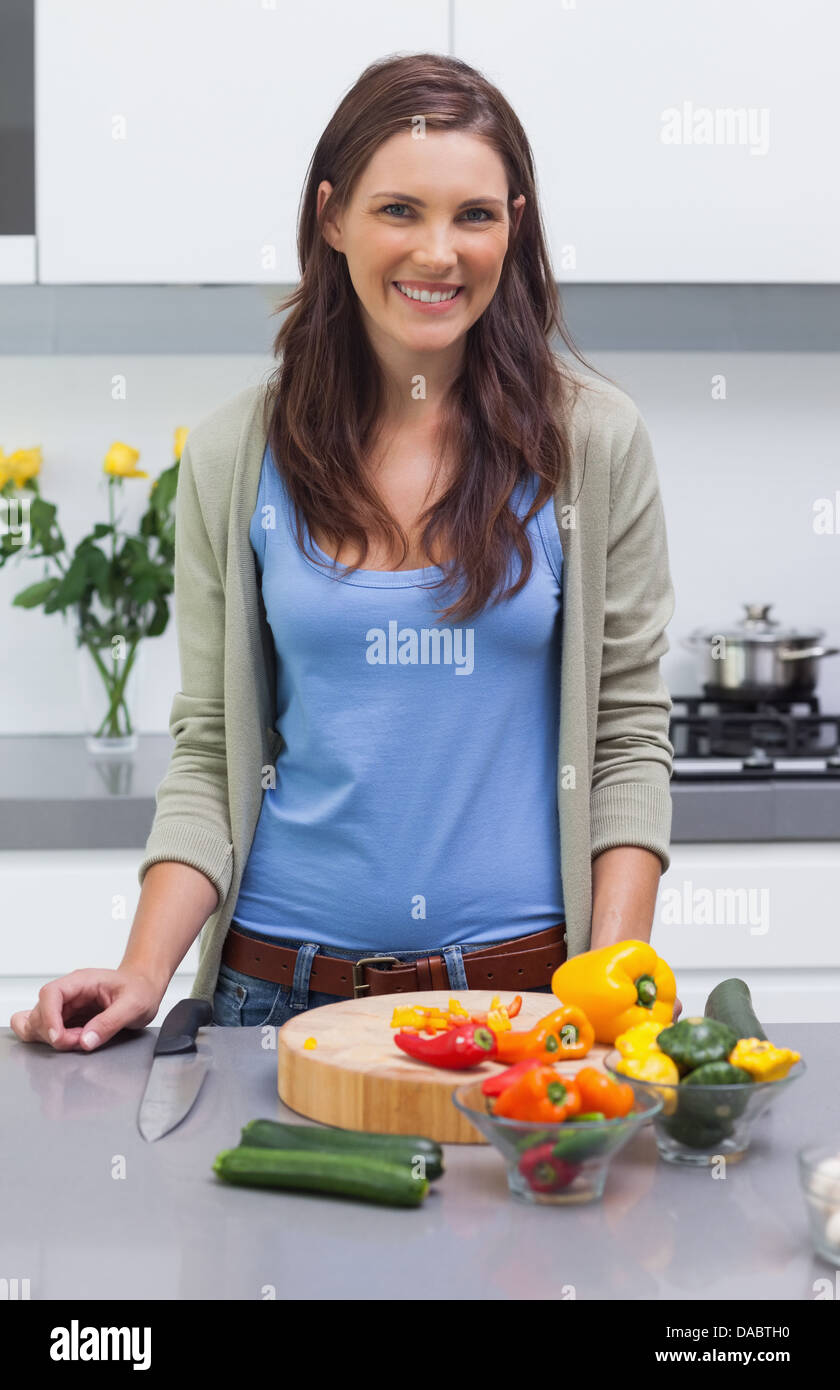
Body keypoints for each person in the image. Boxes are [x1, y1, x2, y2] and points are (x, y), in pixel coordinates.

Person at [12, 53, 680, 1050]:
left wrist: (612, 993)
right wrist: (142, 968)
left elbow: (626, 739)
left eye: (476, 215)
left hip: (523, 1001)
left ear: (518, 225)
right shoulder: (240, 451)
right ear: (332, 218)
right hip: (273, 997)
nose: (439, 252)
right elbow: (210, 751)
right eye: (399, 210)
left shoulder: (592, 443)